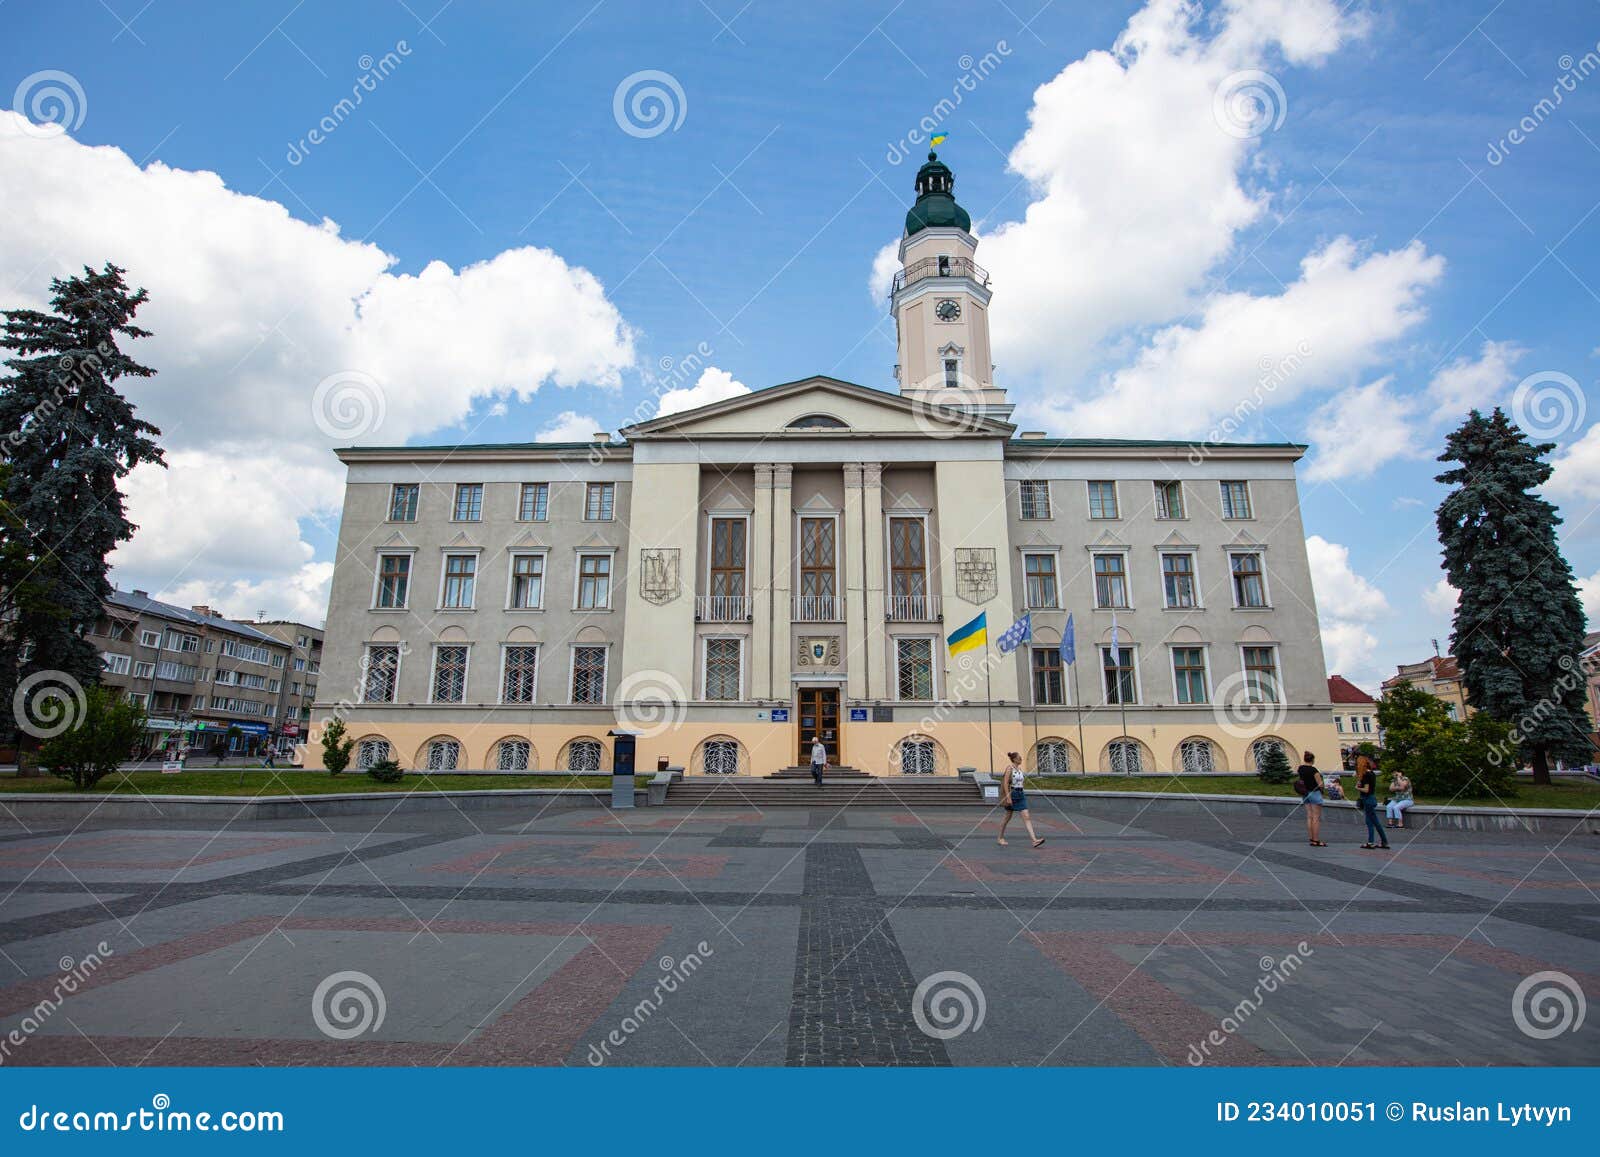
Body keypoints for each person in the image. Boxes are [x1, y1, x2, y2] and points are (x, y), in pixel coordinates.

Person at [997, 751, 1045, 848]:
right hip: (1012, 794)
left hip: (1020, 794)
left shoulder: (1019, 769)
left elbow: (1020, 782)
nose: (1021, 759)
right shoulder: (1009, 768)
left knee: (1026, 817)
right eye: (1019, 758)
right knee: (1007, 818)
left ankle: (1034, 840)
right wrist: (1008, 797)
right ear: (1014, 759)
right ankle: (1000, 838)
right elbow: (1005, 783)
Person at [1354, 754, 1390, 850]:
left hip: (1367, 800)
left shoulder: (1365, 774)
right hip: (1372, 798)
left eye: (1358, 763)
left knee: (1370, 822)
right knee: (1375, 822)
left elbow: (1366, 790)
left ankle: (1371, 842)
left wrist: (1357, 787)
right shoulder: (1372, 773)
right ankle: (1384, 842)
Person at [1297, 751, 1326, 847]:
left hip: (1305, 793)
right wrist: (1323, 790)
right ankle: (1316, 840)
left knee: (1309, 816)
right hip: (1315, 793)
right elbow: (1320, 784)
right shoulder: (1314, 770)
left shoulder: (1300, 769)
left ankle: (1311, 838)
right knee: (1316, 817)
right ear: (1312, 760)